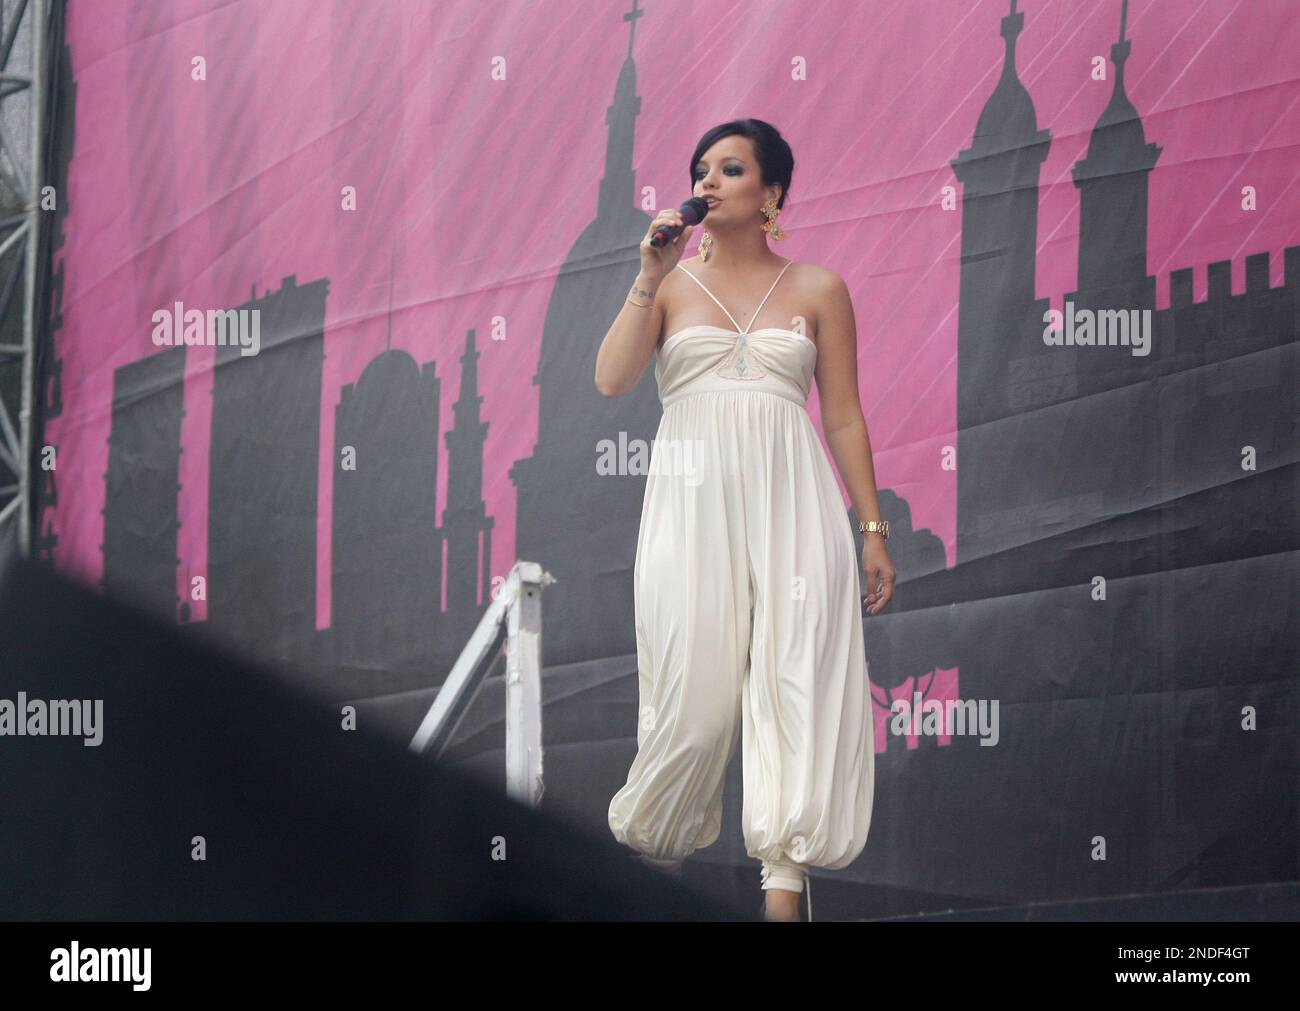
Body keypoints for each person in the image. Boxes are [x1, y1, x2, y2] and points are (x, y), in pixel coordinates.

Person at [596, 119, 895, 922]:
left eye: (730, 169)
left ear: (771, 194)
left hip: (794, 505)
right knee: (690, 706)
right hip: (690, 507)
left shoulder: (818, 288)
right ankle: (650, 870)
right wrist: (646, 274)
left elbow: (843, 420)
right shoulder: (668, 285)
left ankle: (784, 897)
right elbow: (613, 379)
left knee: (795, 686)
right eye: (700, 169)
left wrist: (871, 531)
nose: (709, 181)